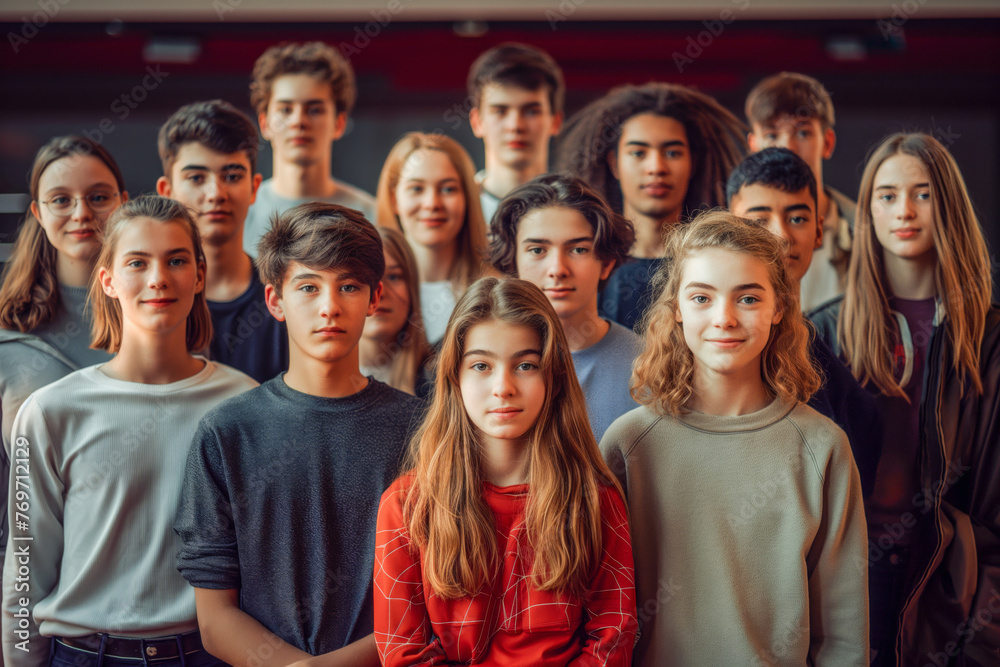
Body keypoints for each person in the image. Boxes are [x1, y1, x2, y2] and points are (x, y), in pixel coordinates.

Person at [601, 211, 868, 665]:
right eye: (702, 297)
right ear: (677, 310)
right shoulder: (629, 444)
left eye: (747, 298)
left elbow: (843, 633)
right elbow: (602, 611)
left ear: (779, 307)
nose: (724, 318)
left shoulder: (822, 447)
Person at [1, 195, 256, 667]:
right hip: (82, 654)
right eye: (137, 262)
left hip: (207, 654)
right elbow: (25, 569)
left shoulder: (244, 403)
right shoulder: (50, 410)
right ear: (108, 280)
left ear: (199, 275)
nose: (158, 278)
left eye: (176, 260)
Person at [175, 203, 423, 667]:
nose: (329, 306)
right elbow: (214, 616)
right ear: (275, 301)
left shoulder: (421, 429)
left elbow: (434, 594)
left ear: (374, 299)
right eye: (308, 287)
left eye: (348, 286)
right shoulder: (226, 433)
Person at [374, 277, 637, 666]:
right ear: (454, 377)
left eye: (526, 365)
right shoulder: (407, 504)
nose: (503, 386)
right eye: (481, 365)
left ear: (553, 376)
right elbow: (403, 652)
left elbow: (610, 643)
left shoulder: (595, 500)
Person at [809, 133, 1000, 666]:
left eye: (923, 194)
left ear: (949, 206)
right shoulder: (824, 330)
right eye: (887, 195)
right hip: (851, 574)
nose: (905, 211)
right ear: (867, 210)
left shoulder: (989, 337)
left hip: (950, 574)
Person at [0, 135, 126, 582]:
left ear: (122, 203)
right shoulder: (7, 338)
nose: (81, 214)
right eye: (61, 200)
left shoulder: (160, 317)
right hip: (38, 578)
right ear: (37, 211)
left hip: (146, 575)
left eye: (98, 197)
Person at [727, 146, 881, 496]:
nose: (780, 235)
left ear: (818, 230)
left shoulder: (836, 369)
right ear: (729, 226)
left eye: (797, 218)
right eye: (758, 220)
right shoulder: (711, 346)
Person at [555, 81, 746, 329]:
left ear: (693, 163)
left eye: (672, 153)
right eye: (638, 153)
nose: (656, 167)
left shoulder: (720, 265)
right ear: (614, 163)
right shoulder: (583, 267)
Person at [490, 173, 638, 441]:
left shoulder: (647, 365)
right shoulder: (484, 367)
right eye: (537, 250)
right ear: (513, 262)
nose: (557, 269)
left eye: (578, 249)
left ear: (605, 263)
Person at [156, 99, 288, 383]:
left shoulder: (286, 302)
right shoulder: (150, 301)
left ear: (254, 188)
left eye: (231, 175)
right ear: (167, 191)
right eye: (196, 177)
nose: (216, 193)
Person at [242, 41, 375, 259]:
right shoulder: (239, 215)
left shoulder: (372, 216)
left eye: (314, 109)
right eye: (285, 109)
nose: (298, 121)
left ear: (339, 123)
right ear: (265, 124)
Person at [746, 71, 855, 311]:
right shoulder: (725, 235)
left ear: (827, 142)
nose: (788, 147)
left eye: (802, 132)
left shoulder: (868, 234)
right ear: (754, 146)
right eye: (772, 134)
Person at [375, 132, 489, 345]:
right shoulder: (369, 292)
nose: (432, 203)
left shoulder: (495, 293)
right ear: (394, 199)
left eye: (448, 189)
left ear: (468, 198)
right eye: (416, 188)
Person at [466, 42, 564, 223]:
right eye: (500, 111)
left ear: (555, 121)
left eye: (531, 111)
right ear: (477, 122)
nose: (516, 126)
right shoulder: (456, 212)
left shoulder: (580, 214)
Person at [360, 226, 433, 397]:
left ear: (412, 289)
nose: (381, 292)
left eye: (393, 277)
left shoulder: (441, 381)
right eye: (367, 278)